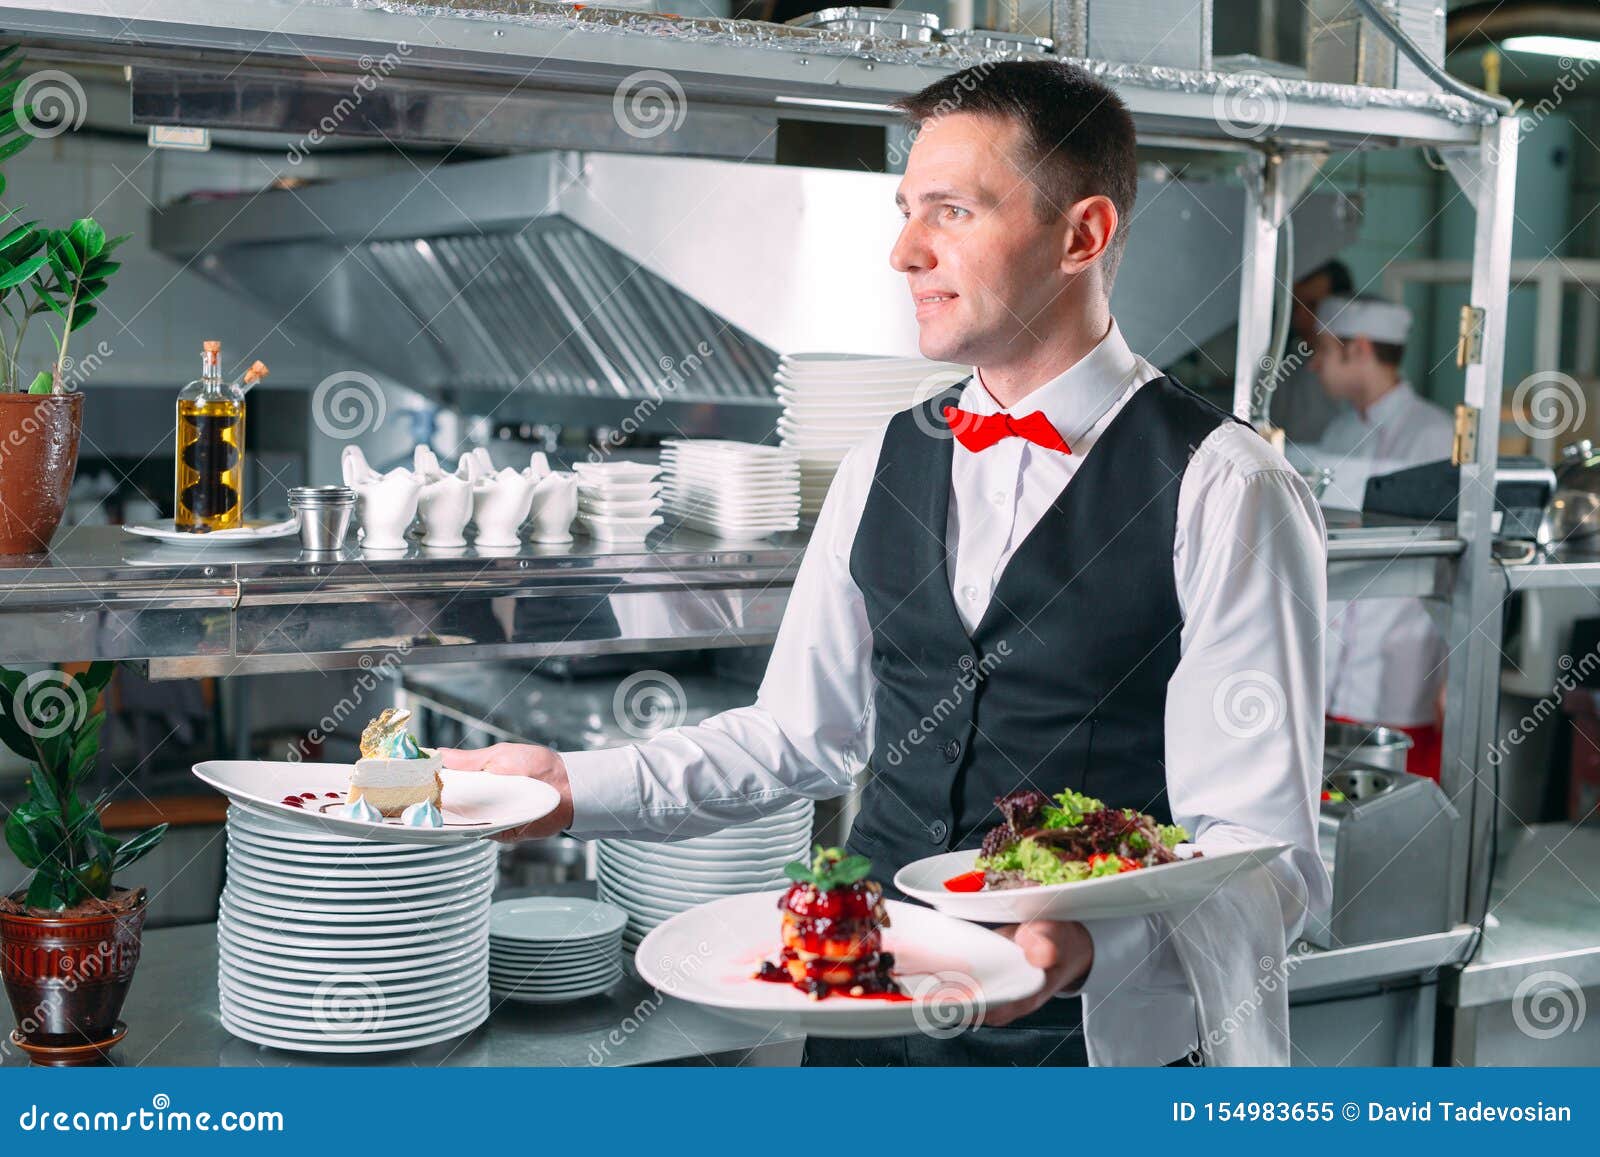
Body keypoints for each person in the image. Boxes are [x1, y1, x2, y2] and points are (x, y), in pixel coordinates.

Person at [441, 61, 1330, 1066]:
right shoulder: (883, 458)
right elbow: (793, 736)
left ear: (1081, 235)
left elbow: (1268, 861)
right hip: (868, 1011)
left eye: (950, 211)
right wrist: (568, 783)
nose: (905, 251)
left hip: (1084, 1045)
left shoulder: (1227, 485)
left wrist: (1085, 941)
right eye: (907, 211)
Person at [1297, 296, 1453, 780]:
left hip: (1400, 679)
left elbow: (1462, 568)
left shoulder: (1437, 436)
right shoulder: (1338, 433)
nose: (1315, 364)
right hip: (1326, 680)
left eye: (1323, 350)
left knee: (1398, 819)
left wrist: (1453, 677)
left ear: (1358, 349)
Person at [1269, 260, 1355, 445]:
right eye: (1295, 306)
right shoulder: (1288, 361)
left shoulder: (1360, 366)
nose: (1300, 317)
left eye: (1313, 305)